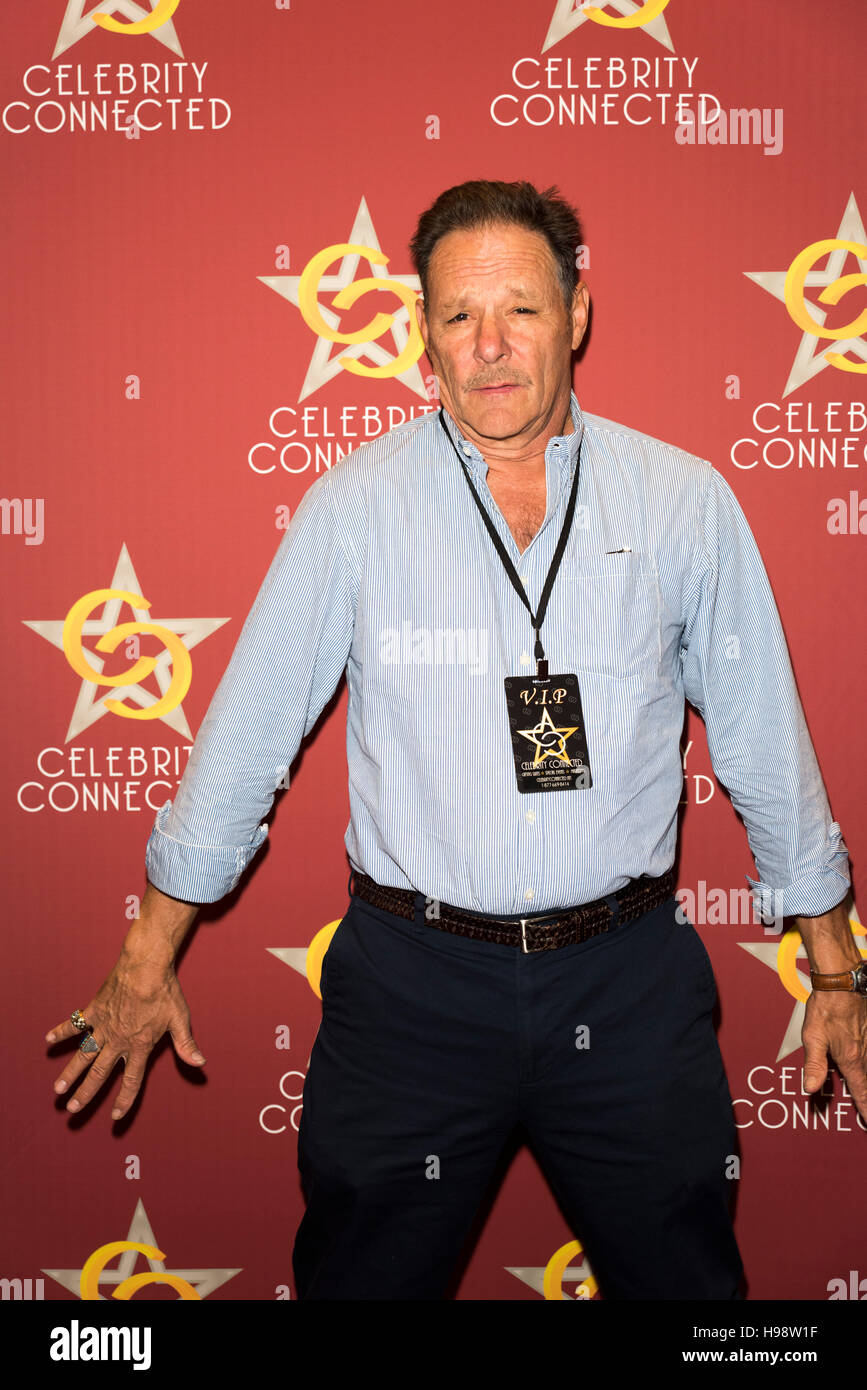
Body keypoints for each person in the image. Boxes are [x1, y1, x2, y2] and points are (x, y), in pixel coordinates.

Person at [47, 180, 864, 1301]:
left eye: (521, 310)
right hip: (410, 991)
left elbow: (767, 740)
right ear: (419, 329)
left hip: (627, 988)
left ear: (576, 311)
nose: (489, 348)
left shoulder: (685, 503)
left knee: (692, 1296)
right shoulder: (355, 507)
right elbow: (244, 740)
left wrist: (835, 967)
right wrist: (147, 959)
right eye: (456, 316)